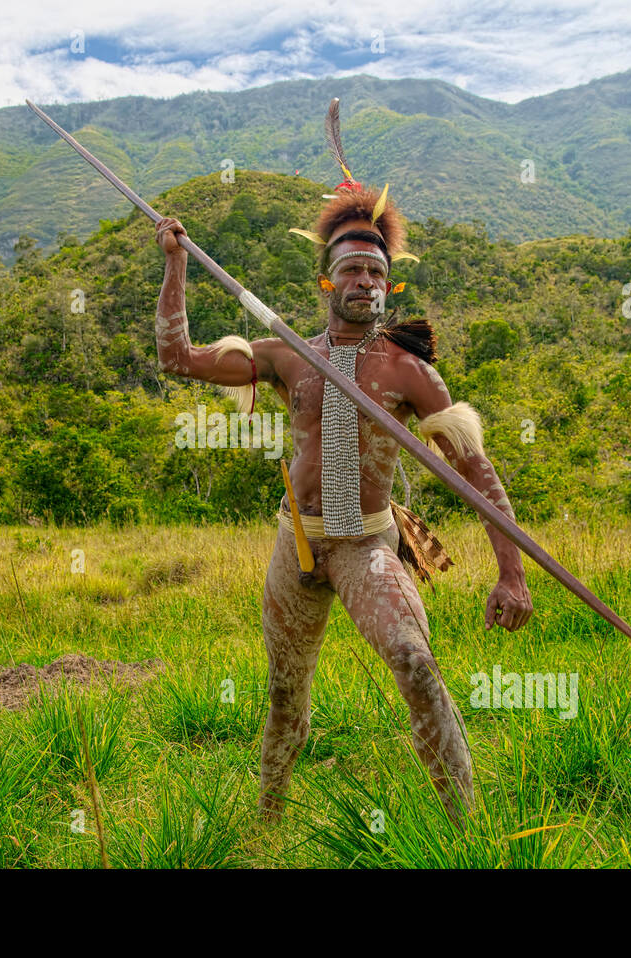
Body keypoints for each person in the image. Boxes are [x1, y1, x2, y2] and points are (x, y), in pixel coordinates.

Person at [153, 100, 533, 825]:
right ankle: (269, 817)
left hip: (366, 543)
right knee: (283, 693)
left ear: (390, 287)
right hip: (296, 543)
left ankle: (466, 829)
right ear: (329, 283)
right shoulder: (288, 358)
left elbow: (479, 476)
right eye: (351, 269)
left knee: (417, 665)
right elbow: (177, 358)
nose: (364, 280)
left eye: (376, 272)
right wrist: (175, 265)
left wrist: (511, 572)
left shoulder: (408, 372)